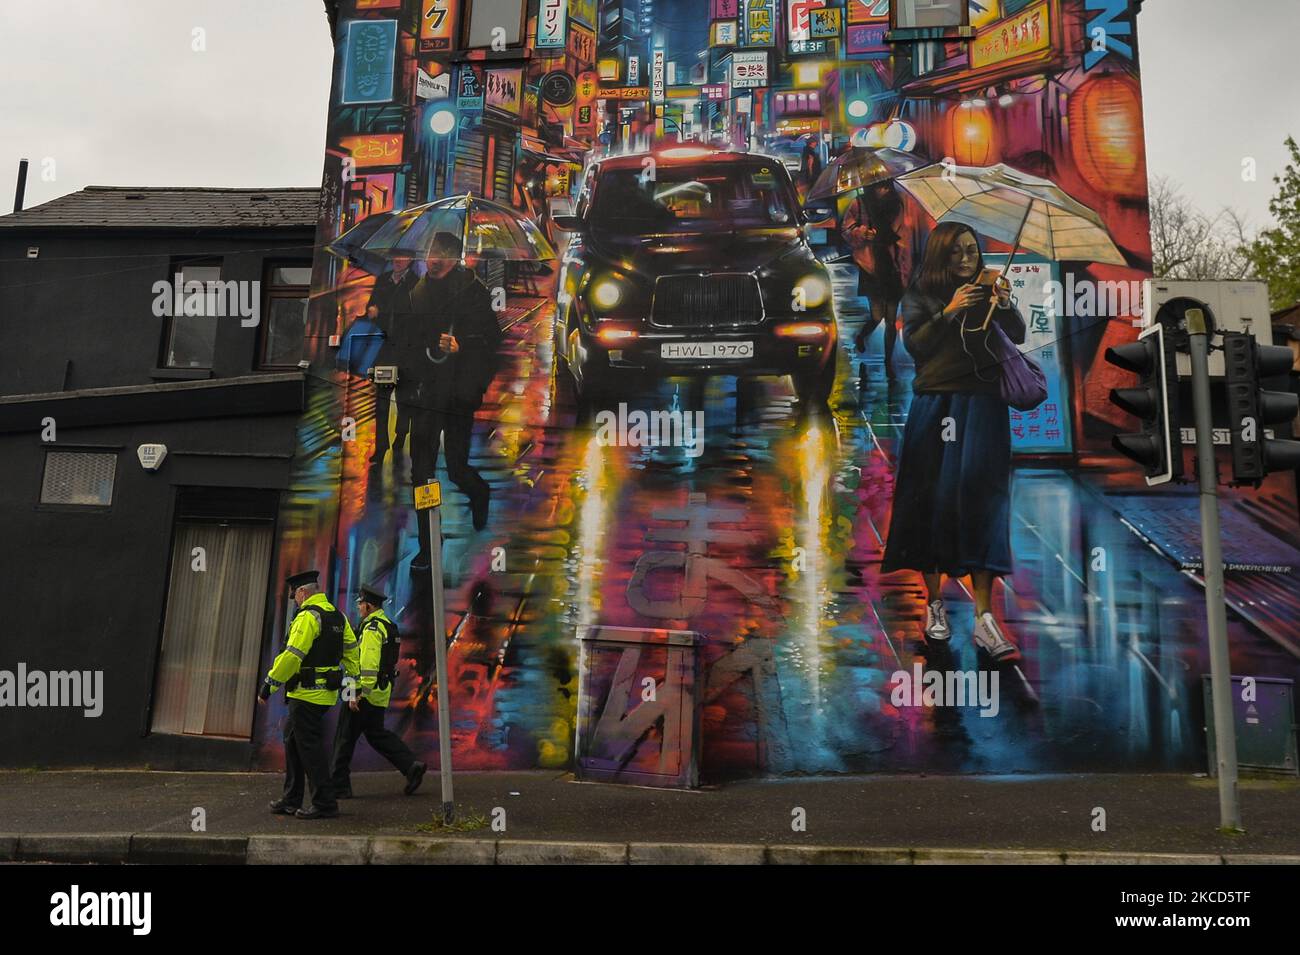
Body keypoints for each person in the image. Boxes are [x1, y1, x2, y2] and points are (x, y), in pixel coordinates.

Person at [880, 222, 1024, 661]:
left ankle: (985, 619)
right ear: (941, 256)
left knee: (983, 503)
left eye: (972, 251)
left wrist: (1005, 303)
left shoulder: (987, 290)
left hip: (983, 408)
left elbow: (1016, 334)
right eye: (958, 253)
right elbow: (917, 345)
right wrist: (952, 310)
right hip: (935, 408)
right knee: (930, 503)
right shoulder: (920, 295)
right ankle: (935, 605)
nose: (967, 260)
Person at [402, 232, 504, 569]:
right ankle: (429, 543)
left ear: (455, 258)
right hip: (426, 396)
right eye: (432, 251)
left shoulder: (473, 292)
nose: (435, 259)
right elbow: (405, 338)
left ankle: (479, 493)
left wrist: (463, 346)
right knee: (422, 472)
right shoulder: (416, 293)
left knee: (457, 468)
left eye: (443, 253)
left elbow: (491, 342)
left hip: (458, 395)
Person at [259, 569, 361, 819]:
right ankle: (291, 799)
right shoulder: (338, 617)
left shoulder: (308, 617)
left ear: (303, 593)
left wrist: (268, 686)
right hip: (324, 695)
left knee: (310, 749)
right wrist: (352, 691)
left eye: (295, 595)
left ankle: (325, 803)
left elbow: (292, 656)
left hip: (305, 695)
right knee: (292, 741)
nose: (295, 600)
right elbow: (352, 656)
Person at [329, 584, 427, 798]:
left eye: (360, 603)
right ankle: (411, 766)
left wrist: (357, 692)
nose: (358, 607)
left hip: (365, 692)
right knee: (376, 734)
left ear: (369, 606)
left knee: (344, 738)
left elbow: (368, 664)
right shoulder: (387, 624)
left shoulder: (372, 628)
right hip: (379, 692)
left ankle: (338, 787)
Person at [842, 181, 908, 377]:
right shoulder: (860, 203)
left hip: (892, 265)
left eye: (887, 187)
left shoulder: (896, 204)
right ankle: (861, 337)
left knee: (891, 320)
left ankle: (888, 362)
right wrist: (863, 232)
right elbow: (846, 230)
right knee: (876, 317)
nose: (885, 191)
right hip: (871, 266)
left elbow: (902, 234)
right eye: (881, 187)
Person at [367, 255, 422, 464]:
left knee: (404, 399)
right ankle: (381, 447)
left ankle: (401, 434)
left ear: (410, 259)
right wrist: (371, 310)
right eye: (396, 256)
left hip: (408, 353)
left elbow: (421, 317)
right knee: (381, 401)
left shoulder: (417, 284)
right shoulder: (383, 280)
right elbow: (372, 304)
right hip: (385, 350)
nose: (398, 260)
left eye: (403, 256)